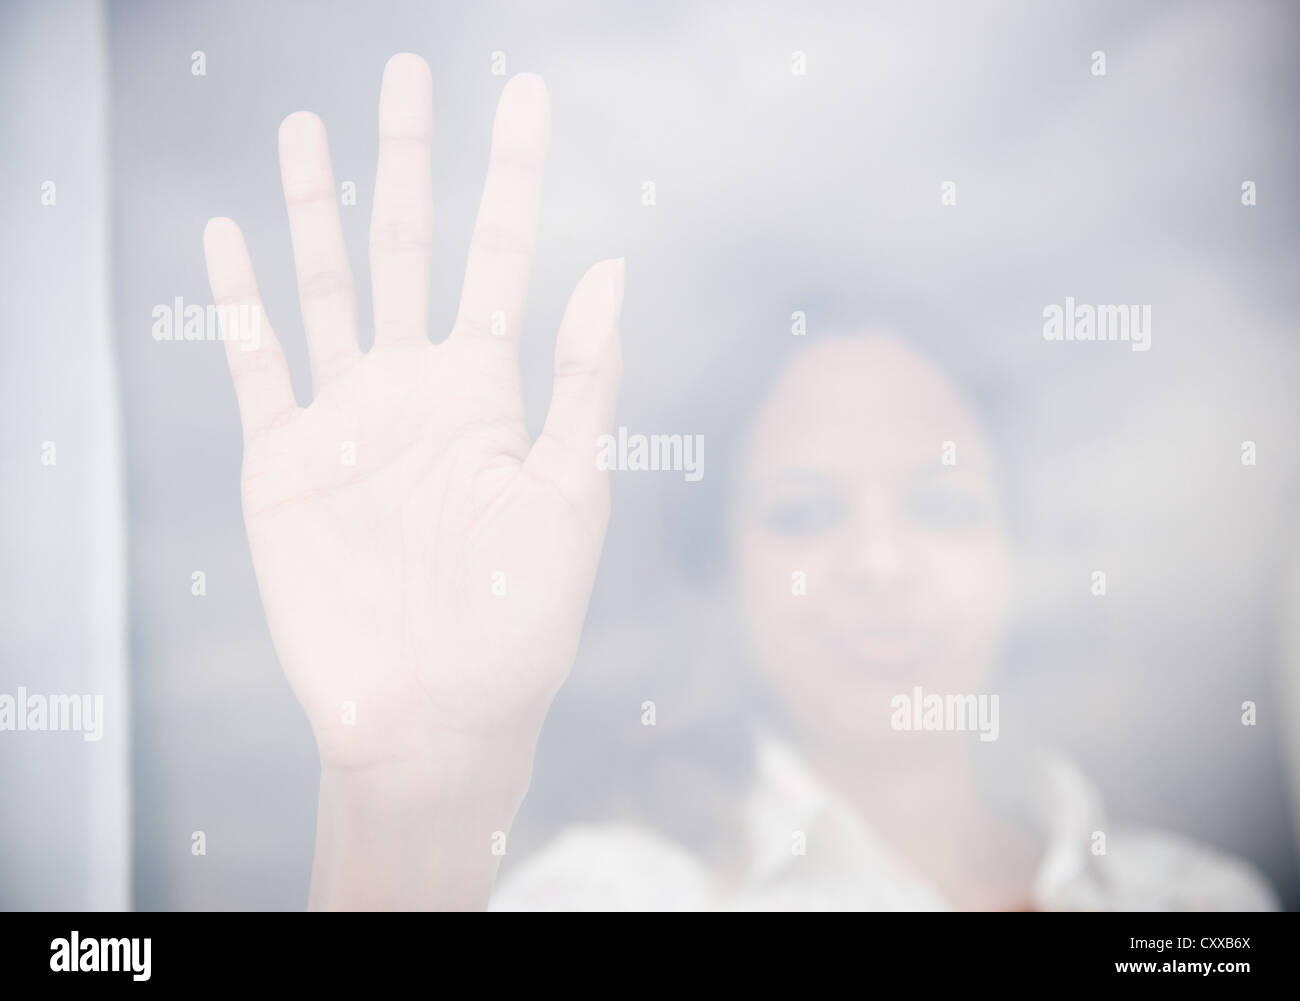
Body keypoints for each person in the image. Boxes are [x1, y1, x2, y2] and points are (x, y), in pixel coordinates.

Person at [204, 52, 1275, 911]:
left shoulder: (1198, 904)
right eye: (803, 513)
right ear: (721, 570)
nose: (880, 562)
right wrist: (402, 805)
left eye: (943, 504)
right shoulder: (615, 896)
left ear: (1017, 543)